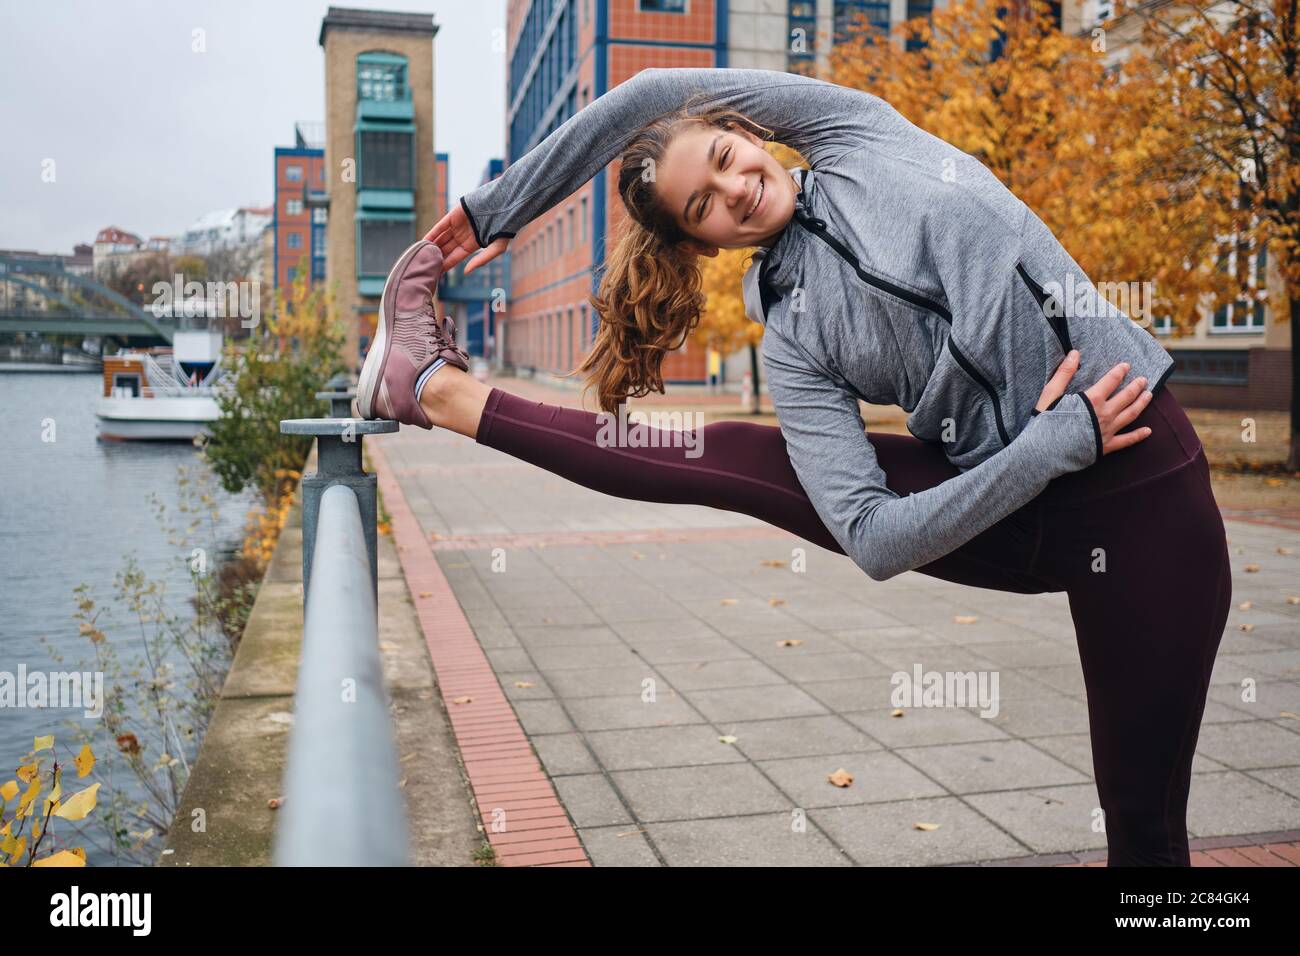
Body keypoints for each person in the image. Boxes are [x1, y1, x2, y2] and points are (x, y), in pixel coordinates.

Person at [354, 68, 1231, 866]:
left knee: (1144, 833)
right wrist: (1046, 449)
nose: (736, 189)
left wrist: (494, 209)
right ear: (701, 245)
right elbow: (873, 537)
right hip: (1018, 493)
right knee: (733, 453)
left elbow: (648, 91)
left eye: (729, 158)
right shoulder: (792, 339)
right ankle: (435, 392)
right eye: (702, 206)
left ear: (750, 131)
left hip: (1138, 489)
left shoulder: (855, 129)